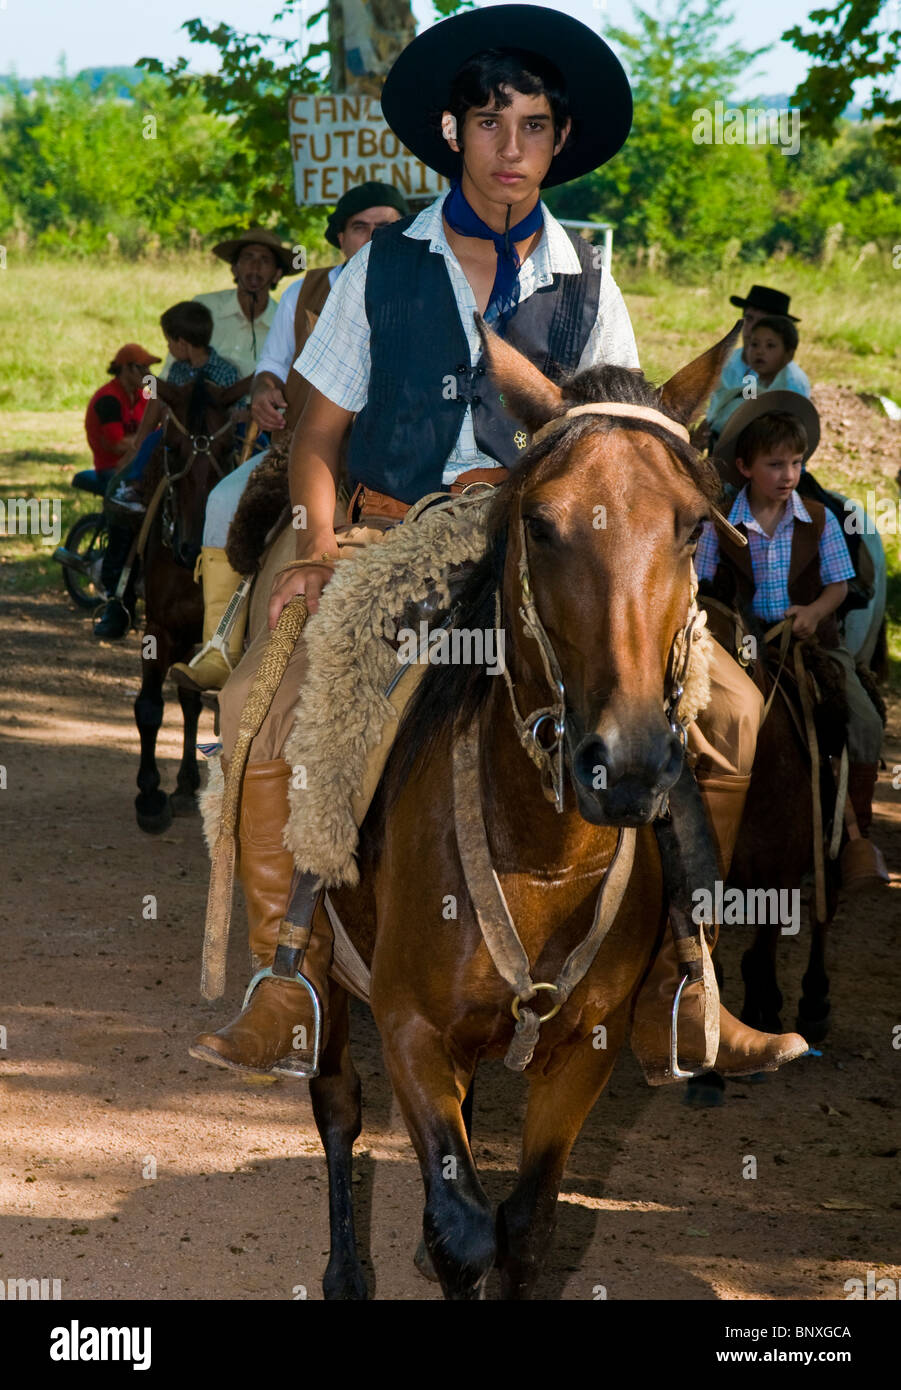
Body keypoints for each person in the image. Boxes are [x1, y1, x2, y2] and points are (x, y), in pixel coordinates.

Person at [190, 5, 806, 1086]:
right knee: (260, 704)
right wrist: (322, 549)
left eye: (531, 125)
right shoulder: (381, 269)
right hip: (393, 535)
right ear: (452, 131)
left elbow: (614, 446)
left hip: (550, 550)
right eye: (489, 122)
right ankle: (286, 976)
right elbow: (321, 432)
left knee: (728, 711)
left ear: (558, 141)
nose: (510, 147)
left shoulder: (589, 283)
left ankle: (680, 978)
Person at [170, 183, 410, 693]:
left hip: (395, 463)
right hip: (303, 452)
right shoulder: (306, 292)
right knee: (220, 502)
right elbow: (273, 365)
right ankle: (220, 644)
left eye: (387, 228)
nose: (373, 239)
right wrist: (262, 389)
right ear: (340, 237)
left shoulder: (421, 292)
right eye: (360, 227)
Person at [696, 396, 888, 889]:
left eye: (797, 464)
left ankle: (854, 839)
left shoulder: (819, 519)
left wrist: (815, 612)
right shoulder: (720, 520)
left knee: (863, 717)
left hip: (809, 641)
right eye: (775, 464)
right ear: (744, 467)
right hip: (742, 644)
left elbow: (840, 585)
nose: (788, 475)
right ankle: (694, 829)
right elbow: (698, 587)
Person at [160, 229, 300, 382]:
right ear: (235, 269)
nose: (255, 266)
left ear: (277, 275)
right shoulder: (204, 307)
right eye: (248, 258)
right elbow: (169, 370)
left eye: (265, 260)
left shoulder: (283, 322)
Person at [78, 344, 161, 496]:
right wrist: (150, 440)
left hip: (135, 463)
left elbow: (158, 425)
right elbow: (117, 444)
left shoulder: (141, 396)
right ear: (126, 369)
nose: (148, 374)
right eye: (142, 368)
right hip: (112, 467)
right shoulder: (108, 399)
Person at [708, 314, 809, 437]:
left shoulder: (792, 383)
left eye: (770, 346)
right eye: (754, 344)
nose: (759, 351)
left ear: (789, 354)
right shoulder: (750, 379)